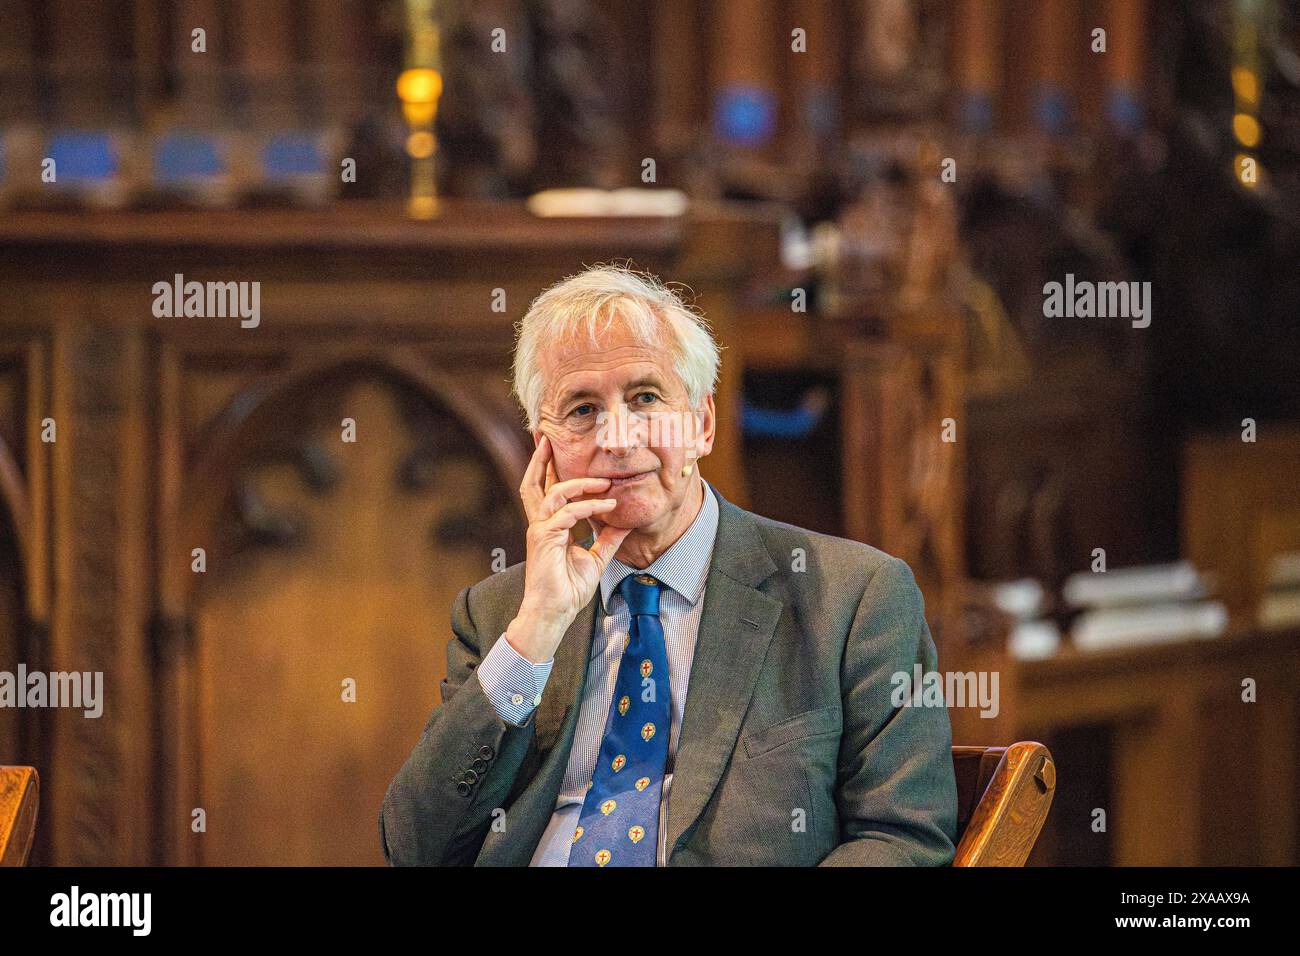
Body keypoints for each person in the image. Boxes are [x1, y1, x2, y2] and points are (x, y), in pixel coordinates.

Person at [380, 264, 958, 866]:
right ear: (543, 451)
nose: (619, 438)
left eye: (645, 398)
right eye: (581, 410)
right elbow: (416, 848)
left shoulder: (852, 598)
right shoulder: (500, 614)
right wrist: (533, 637)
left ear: (702, 424)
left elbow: (904, 839)